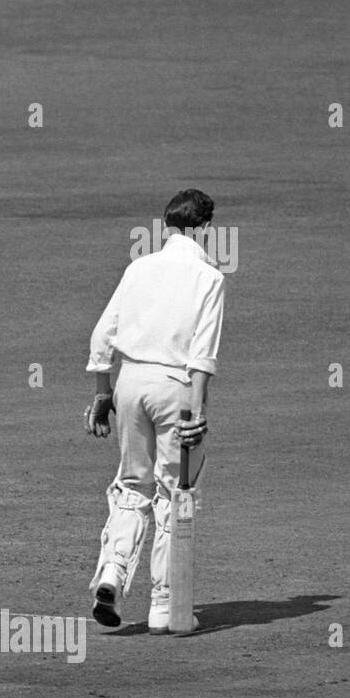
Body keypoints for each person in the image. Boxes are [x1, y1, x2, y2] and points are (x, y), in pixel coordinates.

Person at [83, 189, 225, 632]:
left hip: (130, 384)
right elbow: (202, 355)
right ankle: (165, 606)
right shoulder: (209, 277)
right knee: (173, 495)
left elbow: (102, 337)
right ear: (204, 228)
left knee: (131, 487)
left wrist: (103, 396)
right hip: (176, 389)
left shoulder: (138, 268)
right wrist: (195, 413)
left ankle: (111, 575)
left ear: (167, 226)